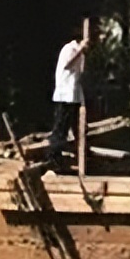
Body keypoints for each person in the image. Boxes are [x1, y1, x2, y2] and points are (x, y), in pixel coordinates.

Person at [46, 23, 91, 172]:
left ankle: (82, 158)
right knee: (61, 128)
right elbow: (67, 64)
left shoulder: (80, 53)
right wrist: (80, 50)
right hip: (65, 96)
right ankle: (53, 157)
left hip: (75, 96)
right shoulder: (69, 49)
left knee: (79, 128)